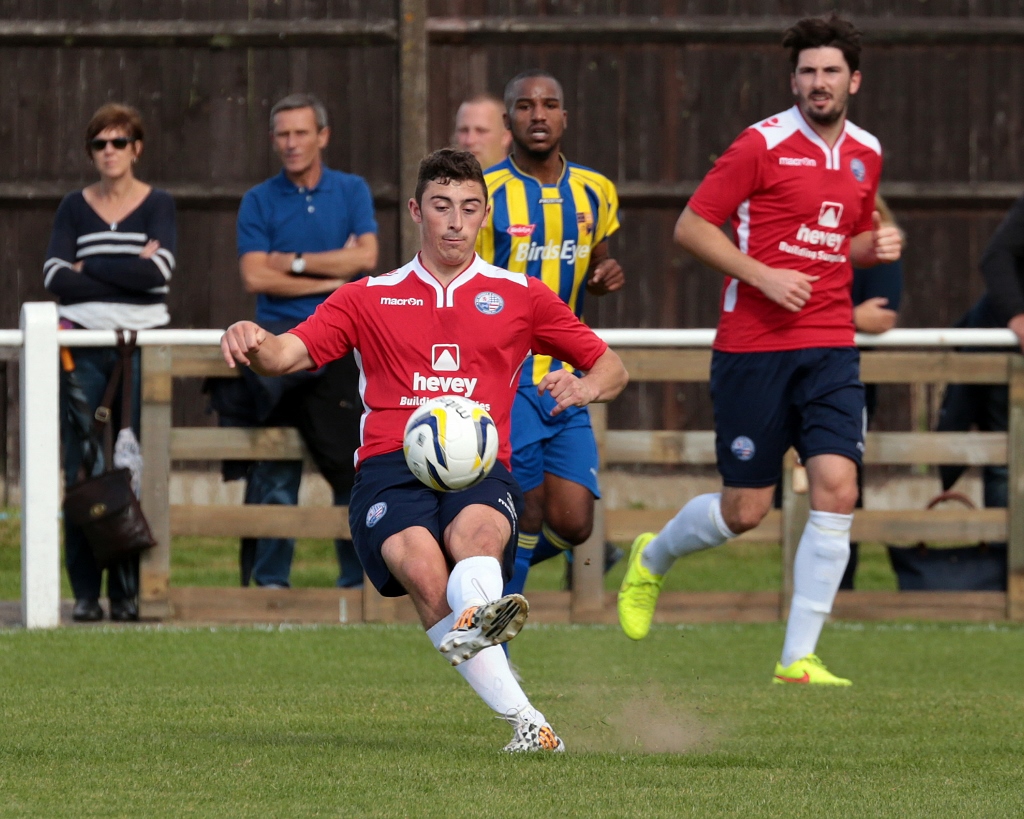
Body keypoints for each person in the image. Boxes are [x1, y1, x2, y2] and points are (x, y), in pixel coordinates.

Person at [220, 149, 628, 751]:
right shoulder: (368, 297)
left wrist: (585, 385)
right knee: (421, 566)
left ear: (485, 214)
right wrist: (250, 338)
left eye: (468, 208)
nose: (455, 222)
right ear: (417, 211)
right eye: (442, 207)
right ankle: (521, 703)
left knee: (477, 541)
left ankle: (514, 699)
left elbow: (611, 366)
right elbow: (285, 355)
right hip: (390, 467)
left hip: (482, 465)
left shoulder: (521, 295)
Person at [617, 14, 902, 685]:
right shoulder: (761, 144)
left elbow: (847, 240)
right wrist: (762, 274)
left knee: (838, 485)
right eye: (807, 71)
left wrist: (873, 248)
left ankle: (796, 658)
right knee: (747, 509)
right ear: (794, 80)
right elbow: (691, 226)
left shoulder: (867, 150)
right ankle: (652, 558)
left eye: (831, 71)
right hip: (754, 347)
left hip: (831, 343)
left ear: (853, 80)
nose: (818, 82)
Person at [476, 69, 625, 598]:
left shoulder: (596, 190)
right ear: (507, 120)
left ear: (565, 116)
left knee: (576, 523)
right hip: (507, 379)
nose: (537, 114)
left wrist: (606, 276)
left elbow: (598, 265)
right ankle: (498, 640)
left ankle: (473, 566)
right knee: (527, 509)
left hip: (565, 379)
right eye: (524, 106)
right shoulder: (487, 193)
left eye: (549, 104)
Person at [232, 92, 378, 589]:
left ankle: (358, 583)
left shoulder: (351, 190)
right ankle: (270, 585)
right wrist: (327, 277)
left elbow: (365, 258)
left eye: (300, 133)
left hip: (337, 349)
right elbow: (254, 276)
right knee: (273, 466)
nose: (291, 144)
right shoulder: (258, 199)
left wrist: (289, 262)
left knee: (348, 464)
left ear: (323, 136)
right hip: (274, 347)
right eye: (282, 134)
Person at [43, 102, 177, 622]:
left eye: (118, 142)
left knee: (130, 467)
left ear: (136, 148)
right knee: (81, 468)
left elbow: (159, 274)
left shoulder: (158, 203)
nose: (109, 152)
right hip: (79, 348)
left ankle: (125, 594)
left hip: (141, 349)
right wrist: (127, 266)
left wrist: (90, 266)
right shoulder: (73, 208)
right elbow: (55, 274)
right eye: (99, 144)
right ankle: (84, 592)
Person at [841, 194, 904, 588]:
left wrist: (813, 315)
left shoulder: (878, 240)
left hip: (849, 374)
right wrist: (848, 316)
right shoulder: (792, 237)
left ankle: (839, 585)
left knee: (841, 480)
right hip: (782, 365)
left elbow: (880, 315)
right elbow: (771, 302)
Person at [453, 93, 511, 172]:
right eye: (464, 130)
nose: (470, 140)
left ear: (505, 137)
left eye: (481, 131)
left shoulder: (524, 183)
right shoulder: (439, 182)